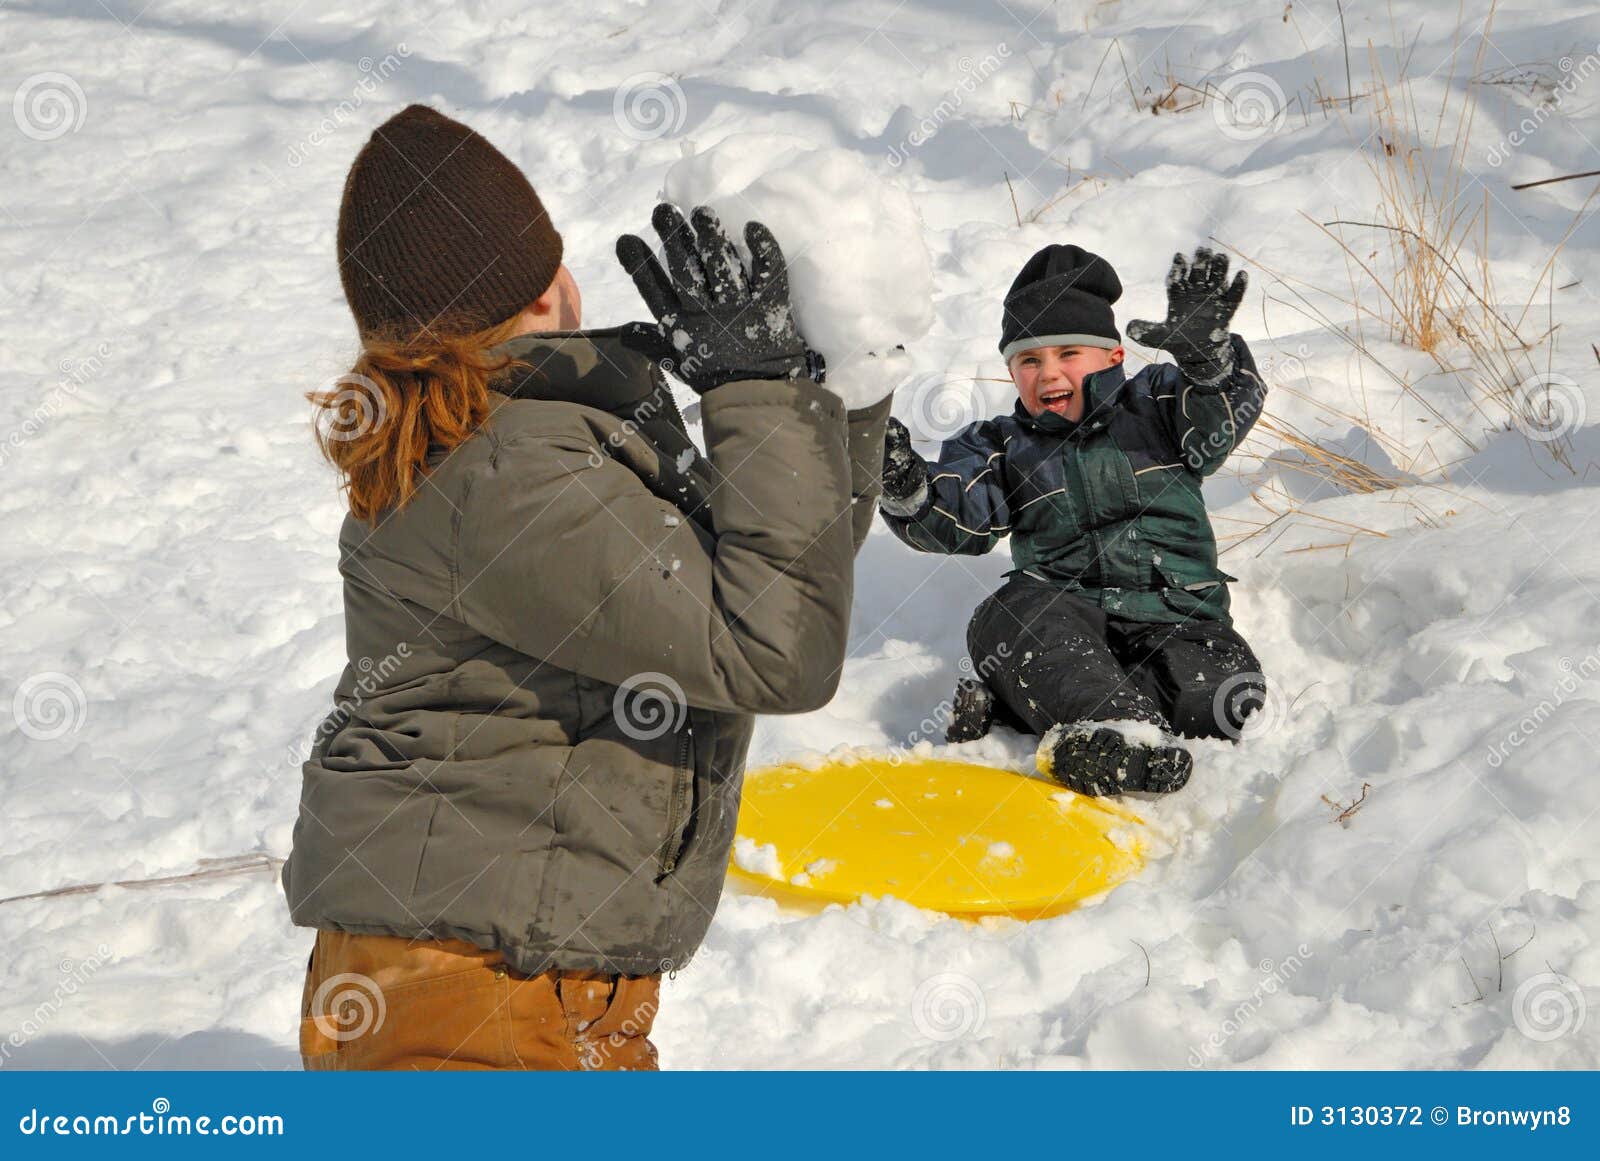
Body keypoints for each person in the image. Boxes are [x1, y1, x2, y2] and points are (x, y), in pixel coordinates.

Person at [282, 104, 891, 1070]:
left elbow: (783, 580)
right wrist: (760, 389)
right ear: (547, 290)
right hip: (474, 989)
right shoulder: (504, 475)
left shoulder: (520, 446)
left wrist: (825, 388)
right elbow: (775, 649)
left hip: (488, 975)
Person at [876, 242, 1267, 797]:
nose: (1048, 372)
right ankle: (1116, 737)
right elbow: (957, 518)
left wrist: (1208, 365)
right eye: (1029, 360)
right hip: (1065, 614)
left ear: (1112, 357)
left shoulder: (1158, 403)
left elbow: (1219, 417)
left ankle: (1036, 716)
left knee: (1225, 693)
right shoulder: (1001, 445)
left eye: (1068, 353)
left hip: (1180, 618)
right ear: (1012, 373)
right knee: (1007, 620)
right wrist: (906, 488)